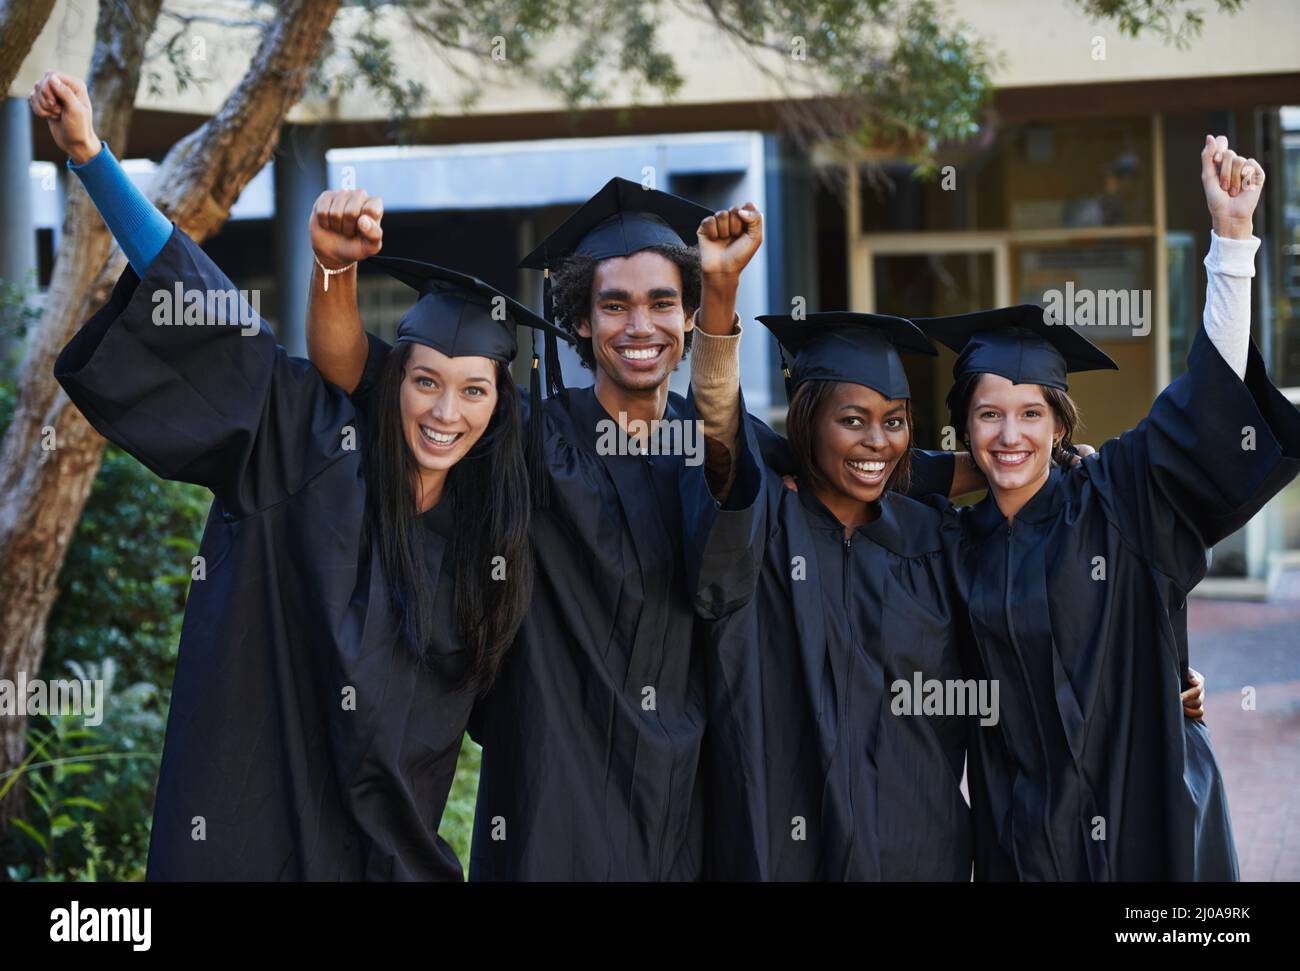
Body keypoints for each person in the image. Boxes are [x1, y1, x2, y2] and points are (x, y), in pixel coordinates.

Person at [34, 70, 567, 879]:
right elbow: (206, 306)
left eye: (472, 390)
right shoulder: (309, 452)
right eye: (425, 381)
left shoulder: (489, 550)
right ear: (395, 382)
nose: (444, 411)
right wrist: (90, 157)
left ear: (498, 403)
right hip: (251, 844)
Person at [916, 136, 1299, 880]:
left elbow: (1207, 401)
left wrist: (1231, 242)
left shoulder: (1117, 498)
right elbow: (859, 484)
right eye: (989, 415)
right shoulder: (954, 543)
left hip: (1143, 813)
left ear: (1061, 423)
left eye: (1032, 414)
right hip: (1021, 831)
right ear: (964, 427)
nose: (1010, 434)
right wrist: (955, 474)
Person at [680, 309, 975, 880]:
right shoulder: (758, 526)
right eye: (852, 419)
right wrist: (719, 300)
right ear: (807, 422)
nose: (877, 441)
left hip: (914, 846)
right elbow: (720, 434)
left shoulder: (933, 540)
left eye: (895, 421)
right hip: (779, 843)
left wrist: (1162, 682)